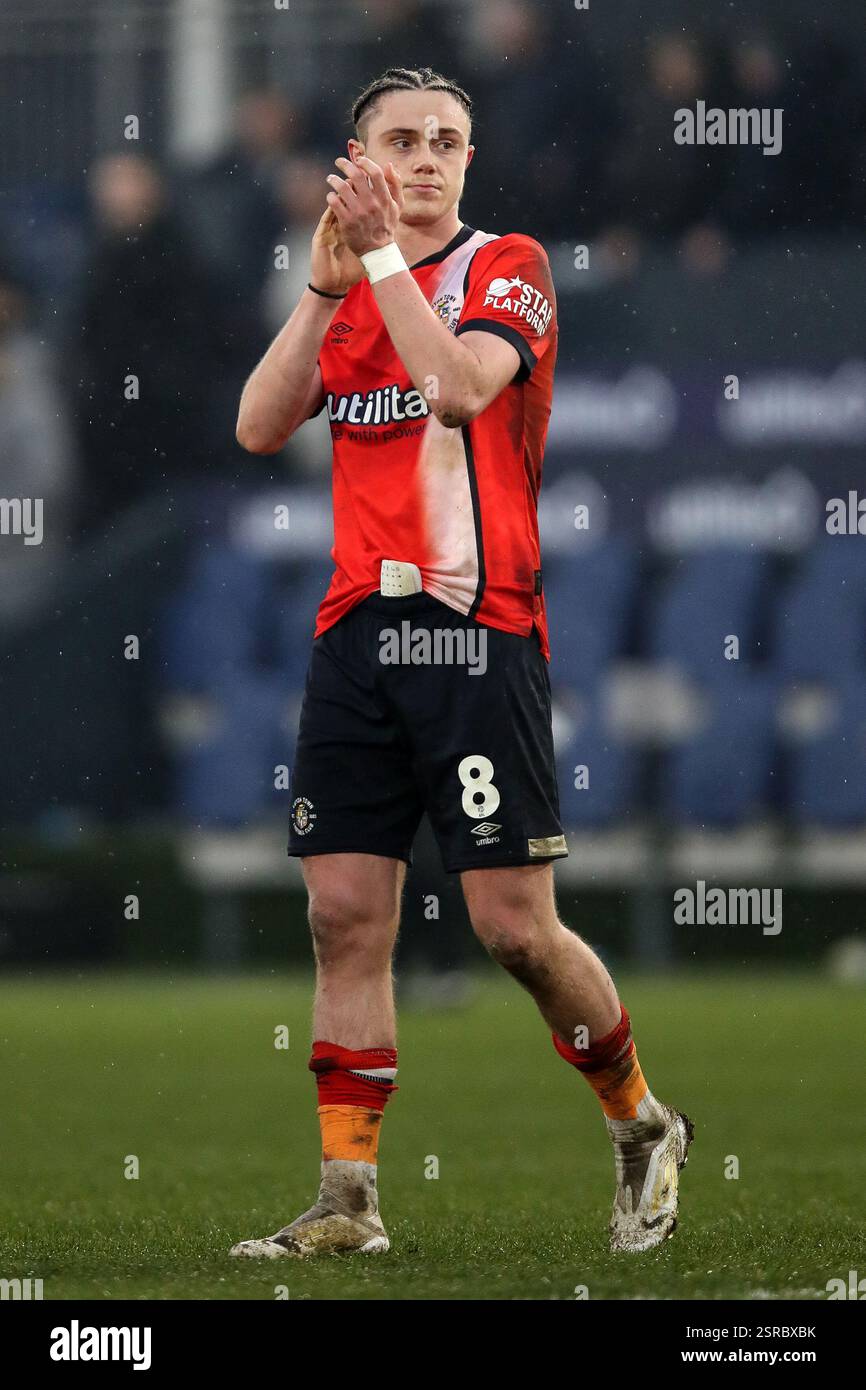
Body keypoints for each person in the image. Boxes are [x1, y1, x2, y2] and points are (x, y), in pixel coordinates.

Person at [230, 66, 693, 1260]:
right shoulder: (346, 281)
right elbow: (257, 424)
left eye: (446, 141)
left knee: (511, 930)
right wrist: (315, 292)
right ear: (360, 159)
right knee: (341, 913)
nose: (428, 158)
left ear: (467, 164)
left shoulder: (508, 267)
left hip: (474, 629)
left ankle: (639, 1117)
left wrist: (380, 265)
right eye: (402, 141)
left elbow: (455, 388)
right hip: (354, 632)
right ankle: (347, 1199)